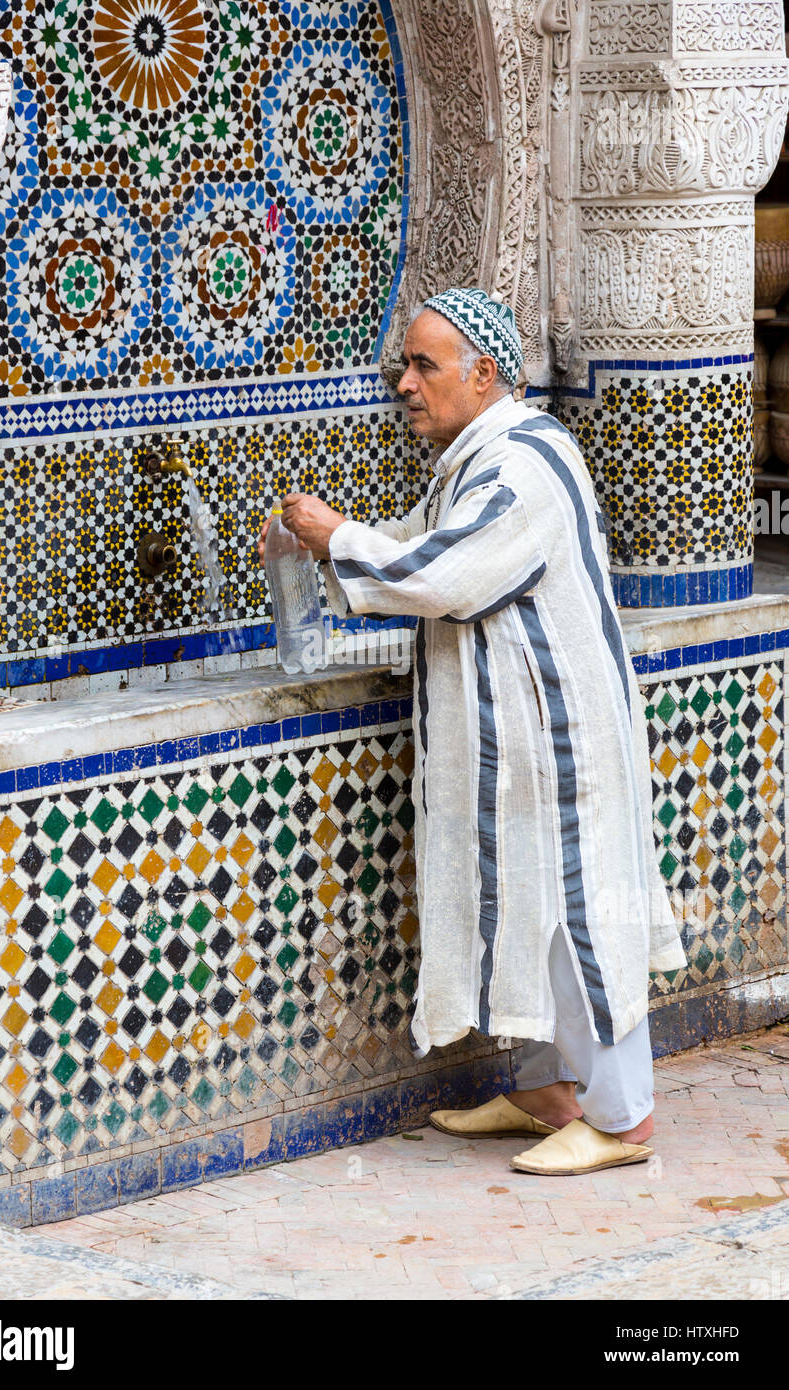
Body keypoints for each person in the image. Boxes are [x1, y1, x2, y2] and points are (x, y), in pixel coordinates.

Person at [258, 288, 686, 1176]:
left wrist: (338, 537)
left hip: (556, 746)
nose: (406, 385)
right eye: (403, 366)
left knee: (573, 921)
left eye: (425, 366)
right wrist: (327, 548)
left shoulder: (525, 465)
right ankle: (544, 1093)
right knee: (520, 915)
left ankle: (623, 1120)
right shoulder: (473, 461)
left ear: (483, 374)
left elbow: (442, 573)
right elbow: (412, 545)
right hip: (512, 752)